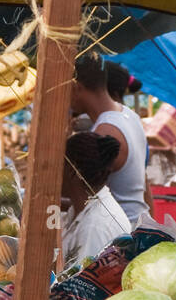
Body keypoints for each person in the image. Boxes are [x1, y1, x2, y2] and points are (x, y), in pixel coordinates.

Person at [71, 52, 149, 228]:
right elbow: (145, 184)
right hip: (138, 224)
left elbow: (85, 201)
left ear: (75, 87)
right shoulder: (130, 115)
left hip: (119, 237)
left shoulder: (105, 131)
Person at [60, 131, 131, 270]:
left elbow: (79, 286)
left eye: (59, 164)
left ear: (72, 171)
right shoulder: (80, 211)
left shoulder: (95, 225)